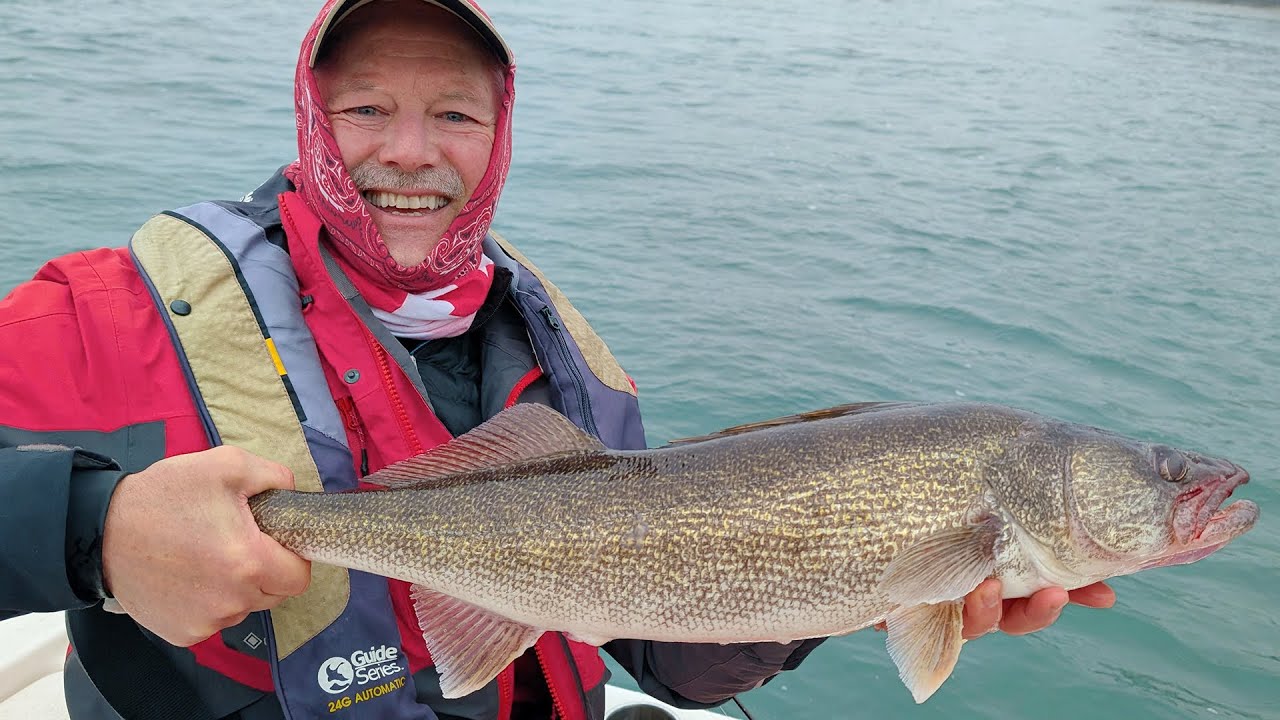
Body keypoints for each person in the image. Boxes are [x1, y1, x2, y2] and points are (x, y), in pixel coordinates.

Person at [0, 0, 1116, 718]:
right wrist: (93, 533)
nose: (408, 150)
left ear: (501, 136)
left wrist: (838, 579)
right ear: (308, 115)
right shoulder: (104, 311)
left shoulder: (568, 365)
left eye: (453, 114)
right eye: (364, 109)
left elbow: (664, 660)